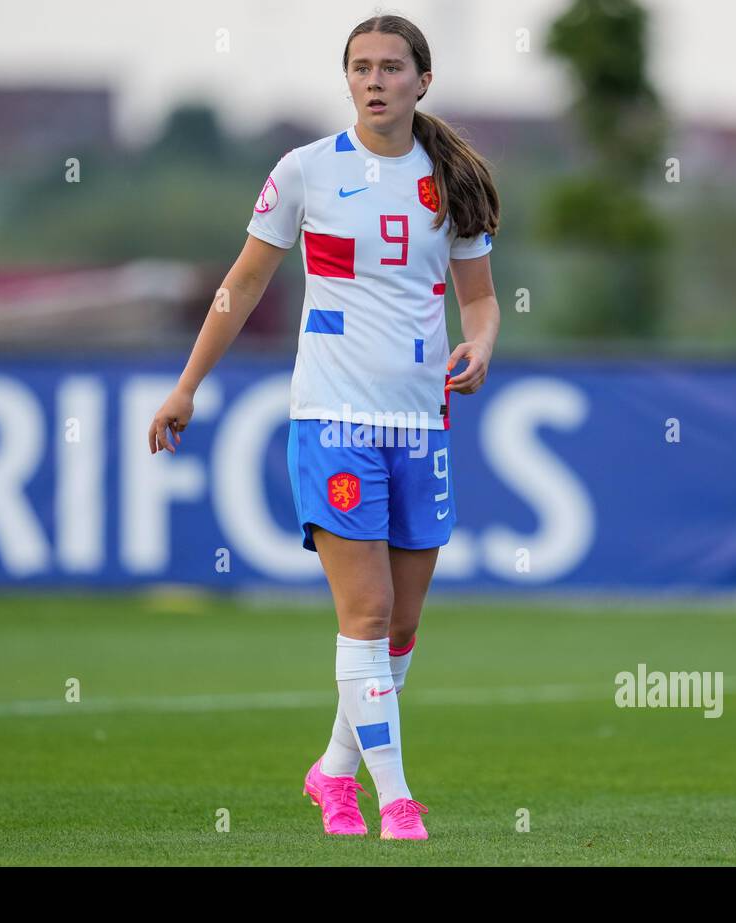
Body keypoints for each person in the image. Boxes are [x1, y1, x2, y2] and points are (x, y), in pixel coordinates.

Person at [148, 14, 501, 838]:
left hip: (421, 424)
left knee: (403, 626)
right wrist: (187, 386)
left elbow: (479, 300)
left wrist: (478, 345)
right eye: (360, 67)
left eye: (390, 67)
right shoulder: (305, 172)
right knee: (367, 614)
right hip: (333, 419)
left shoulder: (450, 184)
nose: (374, 80)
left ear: (423, 80)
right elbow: (238, 286)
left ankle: (333, 771)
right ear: (346, 80)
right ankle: (396, 798)